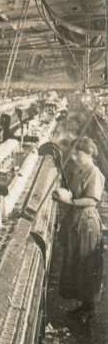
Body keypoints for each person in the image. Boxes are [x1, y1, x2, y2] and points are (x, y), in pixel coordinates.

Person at [53, 137, 105, 324]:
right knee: (77, 262)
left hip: (87, 221)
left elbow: (91, 200)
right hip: (77, 220)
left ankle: (89, 309)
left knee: (86, 262)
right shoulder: (82, 170)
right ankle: (84, 306)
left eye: (78, 153)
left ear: (89, 154)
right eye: (73, 153)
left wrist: (68, 201)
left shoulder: (95, 173)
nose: (74, 157)